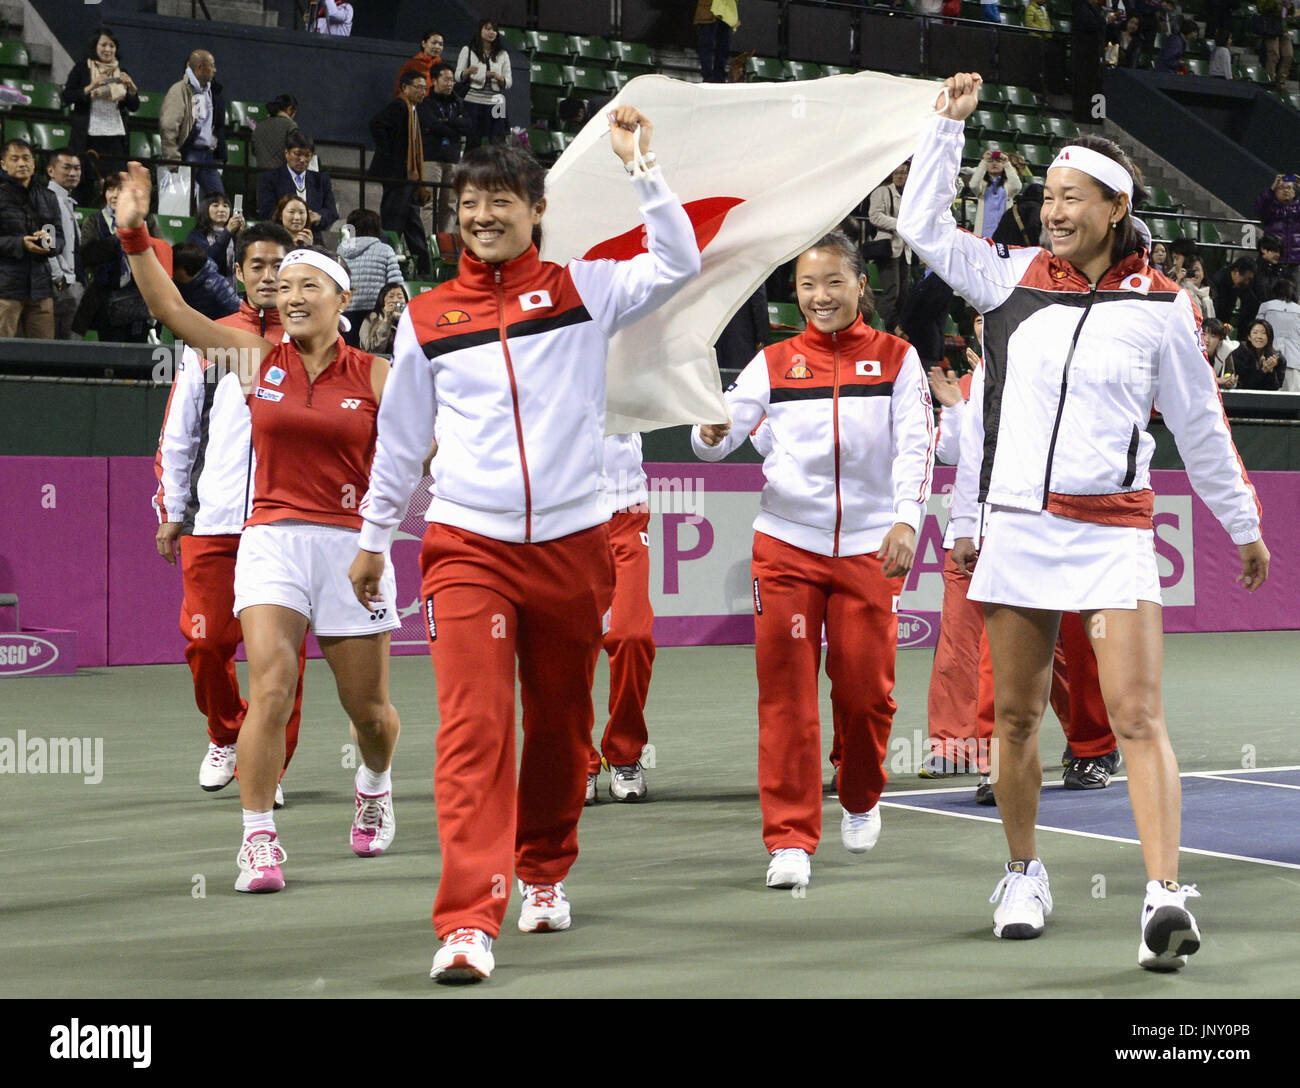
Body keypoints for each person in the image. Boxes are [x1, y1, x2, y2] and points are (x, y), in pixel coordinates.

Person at [899, 72, 1269, 972]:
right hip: (1020, 530)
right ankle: (1023, 871)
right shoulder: (1008, 279)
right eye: (1049, 197)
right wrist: (943, 132)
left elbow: (1200, 427)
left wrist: (1243, 523)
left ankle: (1162, 895)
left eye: (1072, 199)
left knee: (1138, 716)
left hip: (1113, 537)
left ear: (1115, 206)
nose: (1054, 212)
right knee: (1018, 721)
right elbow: (916, 227)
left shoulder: (1162, 310)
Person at [349, 109, 698, 983]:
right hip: (468, 546)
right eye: (469, 203)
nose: (482, 215)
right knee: (475, 728)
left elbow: (679, 262)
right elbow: (400, 441)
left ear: (536, 210)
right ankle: (468, 917)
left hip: (574, 545)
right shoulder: (426, 317)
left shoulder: (586, 288)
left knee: (558, 728)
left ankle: (543, 871)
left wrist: (641, 167)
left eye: (500, 200)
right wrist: (370, 538)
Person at [117, 160, 402, 895]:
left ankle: (374, 783)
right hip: (270, 540)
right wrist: (134, 235)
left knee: (368, 713)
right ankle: (259, 842)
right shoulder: (253, 359)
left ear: (342, 299)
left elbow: (419, 459)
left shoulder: (377, 375)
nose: (293, 293)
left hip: (351, 549)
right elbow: (176, 313)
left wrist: (381, 537)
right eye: (286, 284)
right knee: (271, 683)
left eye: (312, 284)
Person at [693, 231, 935, 891]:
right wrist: (709, 432)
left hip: (869, 548)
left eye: (833, 282)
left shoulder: (898, 360)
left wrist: (907, 520)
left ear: (860, 285)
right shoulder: (772, 363)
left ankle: (859, 792)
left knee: (865, 694)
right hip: (785, 548)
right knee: (787, 699)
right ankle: (791, 839)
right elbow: (718, 436)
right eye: (806, 285)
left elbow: (916, 445)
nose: (819, 296)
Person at [153, 220, 307, 806]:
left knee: (281, 659)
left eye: (280, 267)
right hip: (214, 522)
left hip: (285, 525)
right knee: (206, 643)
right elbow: (180, 432)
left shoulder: (315, 341)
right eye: (259, 267)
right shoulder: (211, 340)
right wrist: (172, 508)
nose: (271, 278)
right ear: (239, 273)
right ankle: (225, 735)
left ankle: (267, 768)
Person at [585, 432, 656, 804]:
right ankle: (577, 760)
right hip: (564, 512)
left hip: (625, 513)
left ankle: (625, 754)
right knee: (569, 646)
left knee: (632, 637)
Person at [74, 173, 162, 342]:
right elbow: (87, 256)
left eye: (120, 190)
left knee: (137, 349)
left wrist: (137, 235)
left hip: (139, 296)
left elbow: (158, 252)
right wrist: (117, 238)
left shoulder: (146, 220)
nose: (114, 195)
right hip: (105, 299)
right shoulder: (94, 221)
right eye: (110, 189)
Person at [61, 27, 138, 206]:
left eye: (112, 45)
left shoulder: (121, 71)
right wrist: (91, 86)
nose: (108, 49)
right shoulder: (82, 69)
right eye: (103, 45)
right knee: (84, 183)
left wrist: (131, 87)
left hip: (115, 137)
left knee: (116, 184)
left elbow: (134, 106)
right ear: (95, 47)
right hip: (88, 137)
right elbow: (67, 97)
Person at [369, 71, 433, 276]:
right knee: (392, 223)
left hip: (408, 180)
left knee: (412, 223)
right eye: (418, 87)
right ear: (405, 87)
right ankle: (384, 267)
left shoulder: (413, 110)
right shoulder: (399, 106)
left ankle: (424, 270)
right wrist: (390, 156)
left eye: (425, 88)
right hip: (397, 177)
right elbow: (377, 124)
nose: (422, 92)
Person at [0, 138, 62, 339]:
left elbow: (59, 237)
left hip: (41, 288)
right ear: (3, 164)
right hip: (5, 288)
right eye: (15, 159)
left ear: (34, 163)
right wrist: (20, 243)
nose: (22, 164)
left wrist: (50, 242)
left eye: (26, 158)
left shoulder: (48, 196)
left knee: (44, 356)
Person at [159, 50, 227, 200]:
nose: (215, 70)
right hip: (187, 154)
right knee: (179, 202)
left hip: (208, 155)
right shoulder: (179, 90)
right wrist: (172, 159)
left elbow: (216, 125)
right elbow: (168, 126)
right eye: (212, 66)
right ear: (200, 68)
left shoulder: (212, 92)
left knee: (219, 201)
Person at [420, 62, 474, 237]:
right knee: (429, 203)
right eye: (446, 79)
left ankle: (445, 244)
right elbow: (432, 125)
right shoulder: (426, 103)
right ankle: (429, 243)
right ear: (434, 80)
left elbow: (468, 125)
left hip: (452, 160)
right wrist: (453, 126)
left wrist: (447, 123)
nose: (450, 83)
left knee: (450, 204)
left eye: (452, 80)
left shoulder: (457, 103)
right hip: (431, 159)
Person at [337, 208, 404, 346]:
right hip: (375, 316)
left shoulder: (340, 251)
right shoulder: (385, 250)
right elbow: (396, 285)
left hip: (346, 314)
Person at [258, 133, 338, 244]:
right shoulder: (270, 178)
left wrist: (317, 217)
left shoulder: (321, 180)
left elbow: (332, 212)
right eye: (297, 154)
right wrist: (293, 218)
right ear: (287, 153)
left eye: (307, 155)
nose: (302, 159)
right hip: (280, 239)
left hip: (314, 240)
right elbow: (266, 211)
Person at [868, 160, 913, 332]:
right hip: (888, 249)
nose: (901, 176)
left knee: (903, 296)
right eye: (898, 172)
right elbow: (874, 216)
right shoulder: (882, 191)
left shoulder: (911, 194)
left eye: (904, 172)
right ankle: (878, 330)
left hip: (905, 250)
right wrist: (900, 224)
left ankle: (893, 331)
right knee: (891, 293)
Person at [45, 148, 84, 339]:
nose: (72, 173)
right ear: (51, 171)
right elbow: (46, 241)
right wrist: (58, 277)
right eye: (66, 167)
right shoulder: (48, 199)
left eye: (77, 168)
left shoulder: (65, 200)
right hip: (61, 285)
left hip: (70, 283)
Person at [455, 19, 512, 148]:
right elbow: (457, 76)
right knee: (473, 142)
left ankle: (498, 168)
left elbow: (508, 82)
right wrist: (468, 72)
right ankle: (471, 167)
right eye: (487, 28)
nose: (491, 32)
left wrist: (498, 77)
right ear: (480, 30)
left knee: (499, 142)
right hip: (473, 102)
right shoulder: (467, 50)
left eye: (494, 30)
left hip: (496, 103)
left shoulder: (503, 54)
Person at [187, 191, 244, 287]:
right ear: (205, 209)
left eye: (225, 206)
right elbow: (208, 261)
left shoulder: (234, 235)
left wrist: (241, 236)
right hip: (205, 292)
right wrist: (227, 232)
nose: (221, 210)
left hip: (231, 291)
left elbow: (243, 263)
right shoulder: (196, 235)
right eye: (215, 205)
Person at [172, 242, 240, 320]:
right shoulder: (177, 283)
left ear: (184, 269)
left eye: (174, 268)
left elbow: (238, 311)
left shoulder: (216, 284)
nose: (172, 272)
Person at [969, 149, 1022, 239]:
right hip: (983, 235)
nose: (994, 164)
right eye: (990, 161)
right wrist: (984, 162)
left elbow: (1017, 186)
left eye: (998, 161)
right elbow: (973, 185)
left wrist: (1007, 163)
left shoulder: (1008, 186)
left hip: (1004, 234)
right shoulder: (982, 186)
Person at [1254, 174, 1300, 278]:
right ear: (1276, 191)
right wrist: (1271, 189)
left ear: (1294, 192)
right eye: (1281, 188)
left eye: (1289, 188)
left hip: (1295, 262)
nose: (1286, 191)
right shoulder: (1269, 207)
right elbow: (1258, 207)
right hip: (1272, 261)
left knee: (1293, 293)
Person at [1229, 317, 1288, 389]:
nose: (1259, 336)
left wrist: (1271, 372)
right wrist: (1263, 371)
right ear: (1249, 337)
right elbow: (1243, 385)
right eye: (1255, 332)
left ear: (1269, 337)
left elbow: (1275, 388)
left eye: (1263, 333)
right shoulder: (1239, 354)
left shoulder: (1278, 358)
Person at [251, 94, 299, 171]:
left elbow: (253, 150)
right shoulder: (290, 126)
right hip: (281, 177)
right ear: (289, 109)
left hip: (260, 176)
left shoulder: (259, 126)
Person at [1210, 255, 1259, 331]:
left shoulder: (1239, 284)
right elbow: (1216, 309)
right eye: (1245, 279)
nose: (1247, 282)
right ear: (1236, 271)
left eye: (1249, 280)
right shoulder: (1218, 281)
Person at [695, 0, 738, 83]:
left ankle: (719, 78)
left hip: (727, 12)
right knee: (707, 44)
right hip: (709, 8)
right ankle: (708, 76)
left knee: (723, 47)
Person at [359, 281, 408, 354]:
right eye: (391, 296)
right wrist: (386, 321)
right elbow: (374, 351)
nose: (395, 300)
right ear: (382, 300)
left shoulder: (410, 321)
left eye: (400, 297)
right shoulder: (372, 319)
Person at [395, 30, 445, 97]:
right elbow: (399, 90)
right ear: (424, 43)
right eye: (434, 43)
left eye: (440, 44)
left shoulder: (443, 67)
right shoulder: (410, 65)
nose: (437, 47)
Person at [1201, 317, 1239, 386]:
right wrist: (1216, 380)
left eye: (1213, 336)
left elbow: (1230, 374)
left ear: (1220, 339)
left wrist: (1230, 383)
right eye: (1204, 334)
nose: (1207, 340)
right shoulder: (1192, 351)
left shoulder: (1225, 350)